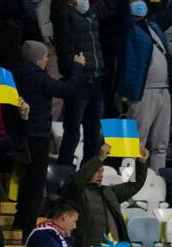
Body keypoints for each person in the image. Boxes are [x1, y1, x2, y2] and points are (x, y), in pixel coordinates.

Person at [14, 43, 88, 235]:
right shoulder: (38, 77)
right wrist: (78, 67)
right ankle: (28, 229)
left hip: (22, 134)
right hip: (37, 136)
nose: (47, 59)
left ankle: (19, 220)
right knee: (36, 185)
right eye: (46, 56)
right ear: (38, 58)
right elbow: (66, 89)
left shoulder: (19, 74)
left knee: (26, 181)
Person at [118, 0, 172, 171]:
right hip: (142, 92)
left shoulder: (153, 26)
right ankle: (127, 184)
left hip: (163, 91)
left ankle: (157, 185)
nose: (139, 3)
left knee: (160, 145)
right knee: (134, 143)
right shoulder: (124, 28)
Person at [64, 142, 149, 247]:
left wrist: (141, 162)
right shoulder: (77, 192)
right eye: (97, 170)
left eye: (102, 171)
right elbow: (78, 180)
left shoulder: (109, 192)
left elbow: (134, 185)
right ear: (87, 170)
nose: (101, 175)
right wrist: (100, 158)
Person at [52, 0, 107, 166]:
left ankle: (88, 177)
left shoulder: (91, 11)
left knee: (93, 134)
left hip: (97, 79)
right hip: (78, 80)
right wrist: (73, 69)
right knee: (73, 133)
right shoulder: (62, 13)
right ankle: (64, 176)